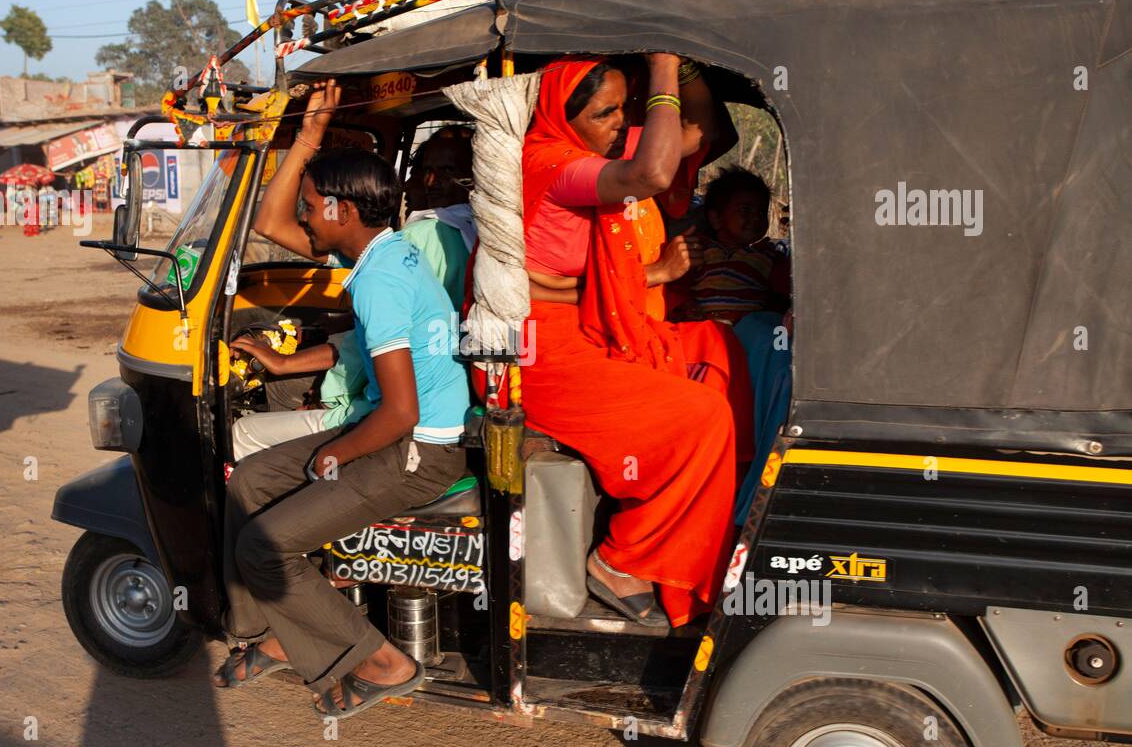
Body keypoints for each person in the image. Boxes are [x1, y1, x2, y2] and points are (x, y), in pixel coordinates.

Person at [216, 80, 470, 721]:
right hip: (393, 432)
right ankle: (267, 630)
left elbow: (401, 414)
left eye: (309, 206)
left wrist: (335, 455)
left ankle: (381, 662)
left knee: (265, 546)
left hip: (416, 451)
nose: (302, 218)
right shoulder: (391, 254)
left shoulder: (382, 279)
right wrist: (281, 362)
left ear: (339, 211)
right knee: (248, 481)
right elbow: (368, 348)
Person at [520, 53, 748, 628]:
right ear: (563, 118)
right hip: (547, 354)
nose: (622, 123)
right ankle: (624, 559)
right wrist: (663, 68)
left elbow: (701, 133)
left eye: (626, 108)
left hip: (599, 327)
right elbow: (653, 174)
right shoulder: (553, 164)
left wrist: (688, 72)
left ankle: (724, 516)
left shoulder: (602, 148)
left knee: (720, 348)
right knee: (702, 417)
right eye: (607, 113)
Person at [232, 125, 477, 457]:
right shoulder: (455, 235)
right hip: (429, 396)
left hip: (387, 405)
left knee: (246, 431)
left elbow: (270, 224)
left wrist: (295, 372)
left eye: (448, 172)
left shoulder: (425, 236)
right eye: (427, 170)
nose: (431, 182)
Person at [673, 165, 790, 324]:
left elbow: (788, 294)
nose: (756, 218)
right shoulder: (698, 251)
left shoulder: (769, 257)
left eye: (762, 212)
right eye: (745, 210)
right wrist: (687, 306)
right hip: (704, 330)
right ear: (716, 219)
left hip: (749, 333)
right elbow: (678, 289)